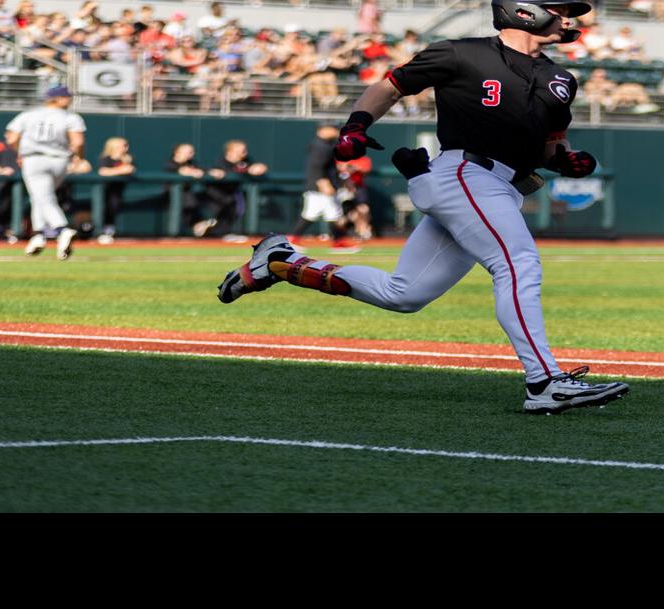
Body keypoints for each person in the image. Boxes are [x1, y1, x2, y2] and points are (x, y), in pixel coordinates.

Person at [216, 0, 630, 414]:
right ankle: (544, 382)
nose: (569, 17)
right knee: (517, 263)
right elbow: (391, 85)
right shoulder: (460, 51)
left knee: (405, 294)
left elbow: (551, 146)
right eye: (559, 9)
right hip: (467, 174)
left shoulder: (560, 77)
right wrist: (356, 125)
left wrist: (563, 160)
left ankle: (282, 262)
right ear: (523, 11)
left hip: (500, 185)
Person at [5, 85, 85, 260]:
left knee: (43, 197)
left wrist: (19, 152)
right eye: (67, 96)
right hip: (60, 160)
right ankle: (38, 236)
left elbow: (11, 138)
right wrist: (79, 158)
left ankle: (62, 229)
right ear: (57, 98)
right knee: (40, 196)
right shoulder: (71, 117)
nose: (69, 99)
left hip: (34, 159)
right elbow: (77, 142)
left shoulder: (29, 114)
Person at [288, 123, 358, 252]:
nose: (336, 130)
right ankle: (293, 239)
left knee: (330, 214)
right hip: (319, 187)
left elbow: (329, 167)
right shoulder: (319, 145)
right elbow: (316, 166)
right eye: (332, 128)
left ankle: (338, 241)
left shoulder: (326, 145)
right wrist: (322, 182)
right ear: (322, 130)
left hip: (323, 184)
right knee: (315, 214)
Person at [197, 140, 266, 238]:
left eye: (245, 151)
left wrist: (258, 168)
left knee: (231, 213)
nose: (244, 153)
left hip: (232, 196)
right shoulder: (221, 162)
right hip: (215, 195)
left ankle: (220, 235)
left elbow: (257, 167)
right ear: (230, 152)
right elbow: (209, 171)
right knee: (217, 216)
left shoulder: (245, 161)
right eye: (241, 151)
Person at [96, 137, 136, 245]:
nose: (126, 148)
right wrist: (120, 170)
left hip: (119, 191)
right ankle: (102, 231)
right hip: (105, 190)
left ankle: (109, 230)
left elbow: (131, 169)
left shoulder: (128, 158)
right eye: (123, 145)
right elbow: (103, 171)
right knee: (106, 207)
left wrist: (126, 168)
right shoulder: (106, 158)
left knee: (115, 205)